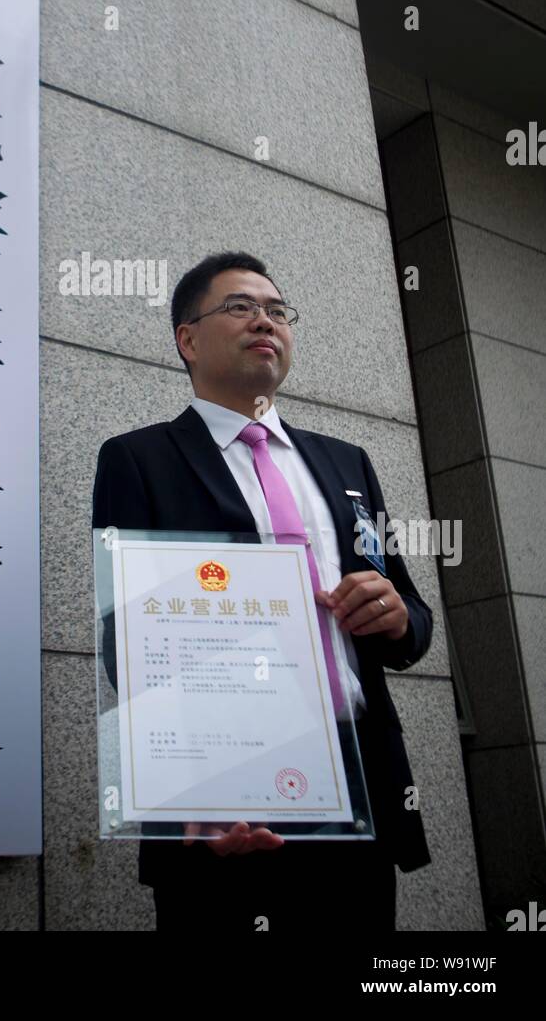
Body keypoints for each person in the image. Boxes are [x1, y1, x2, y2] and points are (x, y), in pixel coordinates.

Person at [92, 250, 432, 931]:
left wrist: (397, 618)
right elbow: (128, 639)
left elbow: (412, 615)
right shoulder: (139, 459)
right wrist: (201, 783)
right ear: (187, 339)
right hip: (228, 793)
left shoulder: (347, 463)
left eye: (278, 310)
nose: (265, 321)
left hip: (358, 772)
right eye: (241, 307)